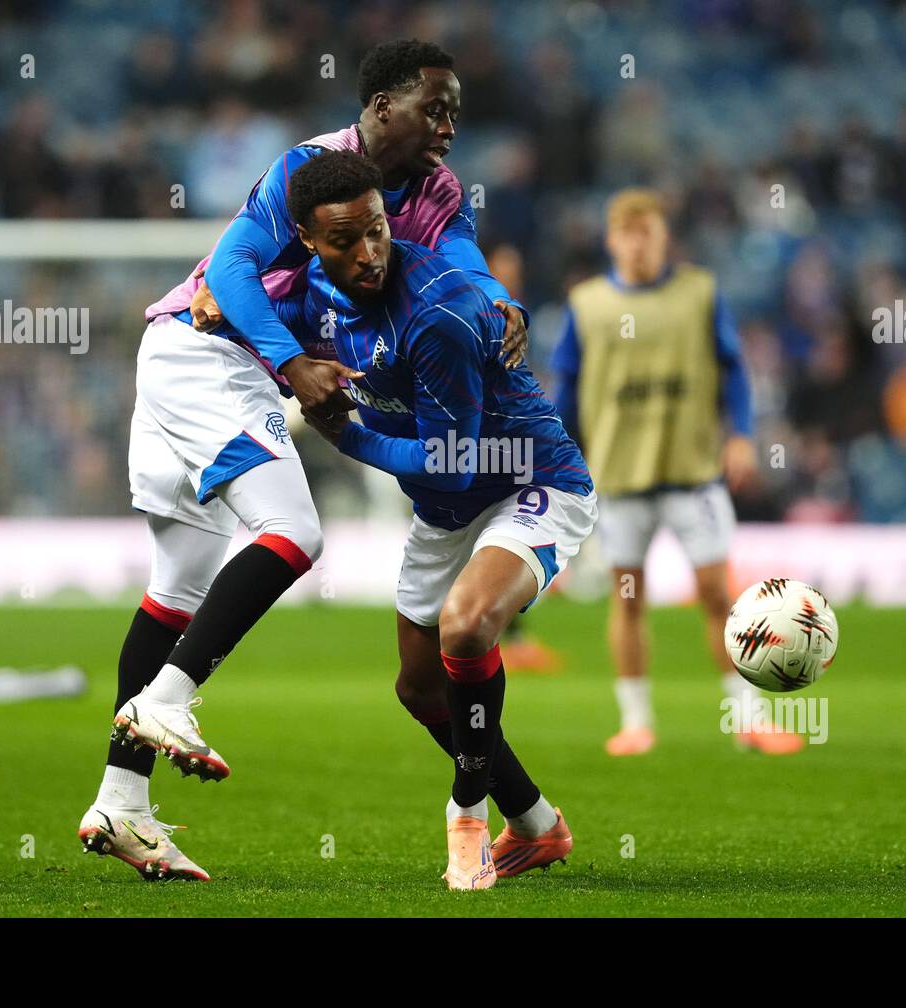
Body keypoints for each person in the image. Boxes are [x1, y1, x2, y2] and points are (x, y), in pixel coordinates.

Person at [77, 40, 529, 882]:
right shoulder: (311, 169)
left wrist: (500, 300)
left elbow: (461, 255)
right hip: (207, 356)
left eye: (457, 109)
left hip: (194, 360)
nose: (450, 124)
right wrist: (293, 365)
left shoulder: (433, 190)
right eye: (436, 107)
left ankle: (122, 802)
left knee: (181, 581)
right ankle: (169, 702)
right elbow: (233, 270)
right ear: (384, 106)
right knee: (293, 531)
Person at [275, 150, 597, 889]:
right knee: (419, 690)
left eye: (378, 231)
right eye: (345, 240)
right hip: (446, 509)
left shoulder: (439, 311)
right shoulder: (311, 290)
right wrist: (211, 307)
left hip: (530, 481)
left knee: (466, 625)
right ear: (309, 241)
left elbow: (450, 459)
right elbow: (249, 305)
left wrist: (345, 433)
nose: (367, 253)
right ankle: (539, 827)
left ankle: (467, 818)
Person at [552, 188, 802, 757]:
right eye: (628, 233)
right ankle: (636, 721)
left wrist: (739, 434)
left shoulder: (699, 294)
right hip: (619, 479)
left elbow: (734, 370)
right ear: (612, 239)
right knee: (629, 596)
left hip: (693, 474)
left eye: (649, 232)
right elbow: (565, 391)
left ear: (664, 237)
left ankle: (748, 716)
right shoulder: (587, 304)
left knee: (717, 594)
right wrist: (560, 459)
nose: (638, 244)